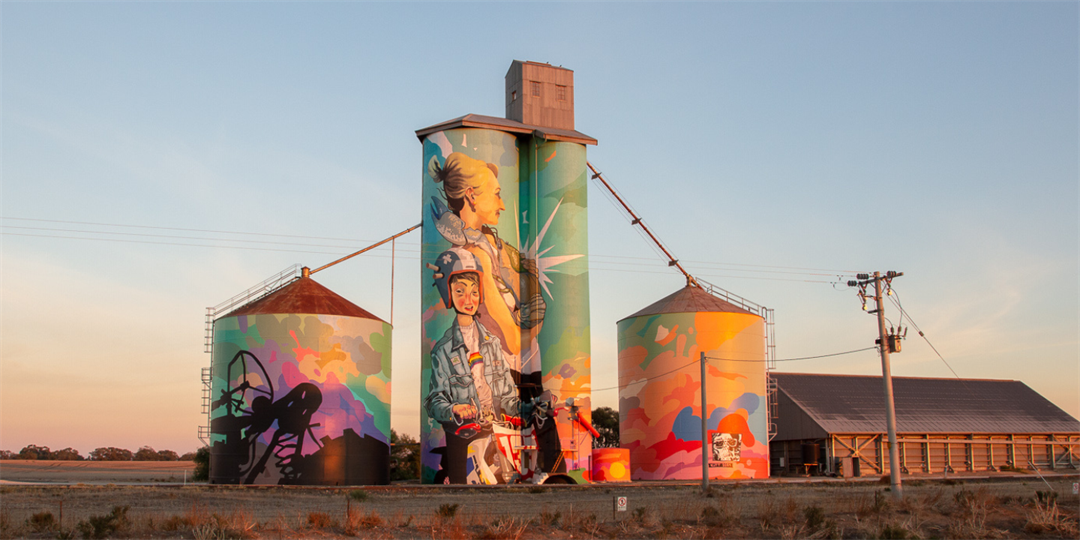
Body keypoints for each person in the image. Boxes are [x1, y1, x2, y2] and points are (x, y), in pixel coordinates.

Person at [429, 152, 546, 373]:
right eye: (496, 194)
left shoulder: (492, 246)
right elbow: (513, 342)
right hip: (500, 376)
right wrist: (537, 320)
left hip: (518, 371)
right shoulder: (473, 257)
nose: (502, 205)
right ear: (471, 196)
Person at [424, 247, 522, 483]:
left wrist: (523, 409)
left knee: (508, 487)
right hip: (463, 434)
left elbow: (508, 395)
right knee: (463, 492)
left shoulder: (493, 343)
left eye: (474, 291)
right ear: (448, 294)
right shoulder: (443, 350)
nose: (469, 299)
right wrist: (454, 409)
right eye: (460, 291)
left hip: (496, 433)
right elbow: (434, 401)